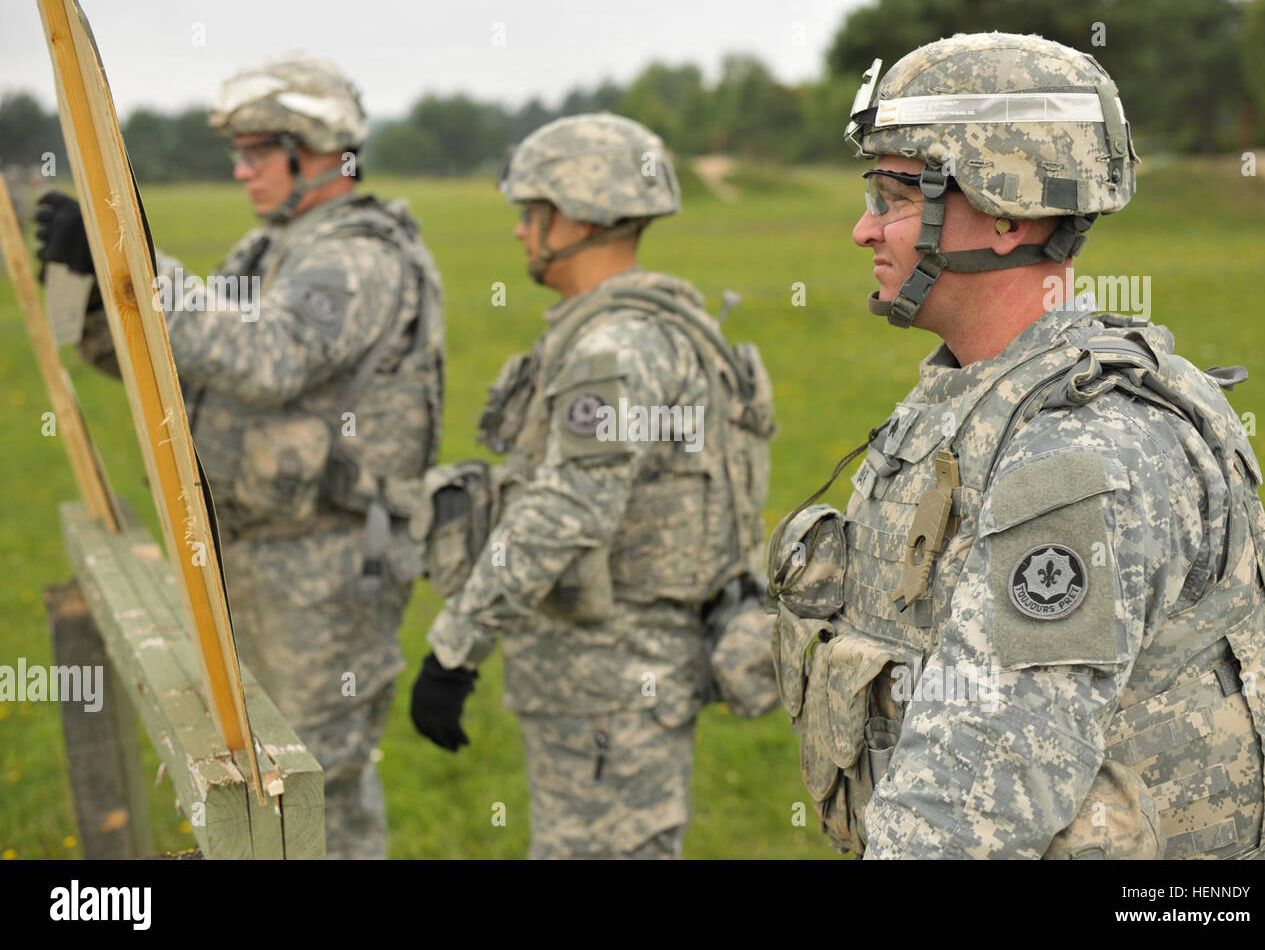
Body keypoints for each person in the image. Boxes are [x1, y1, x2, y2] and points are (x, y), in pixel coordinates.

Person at [767, 32, 1265, 859]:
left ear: (1010, 214)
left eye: (895, 195)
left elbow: (972, 797)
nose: (862, 229)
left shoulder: (1087, 451)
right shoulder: (974, 395)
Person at [35, 54, 444, 859]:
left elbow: (271, 356)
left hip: (325, 569)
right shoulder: (270, 247)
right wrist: (91, 286)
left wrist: (142, 266)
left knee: (311, 793)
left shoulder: (358, 254)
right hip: (251, 553)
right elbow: (183, 359)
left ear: (319, 149)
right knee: (253, 787)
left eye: (258, 150)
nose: (240, 168)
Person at [409, 113, 777, 859]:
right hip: (618, 673)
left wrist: (454, 647)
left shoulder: (614, 346)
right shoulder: (651, 323)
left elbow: (571, 504)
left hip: (607, 678)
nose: (520, 232)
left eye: (530, 212)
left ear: (576, 214)